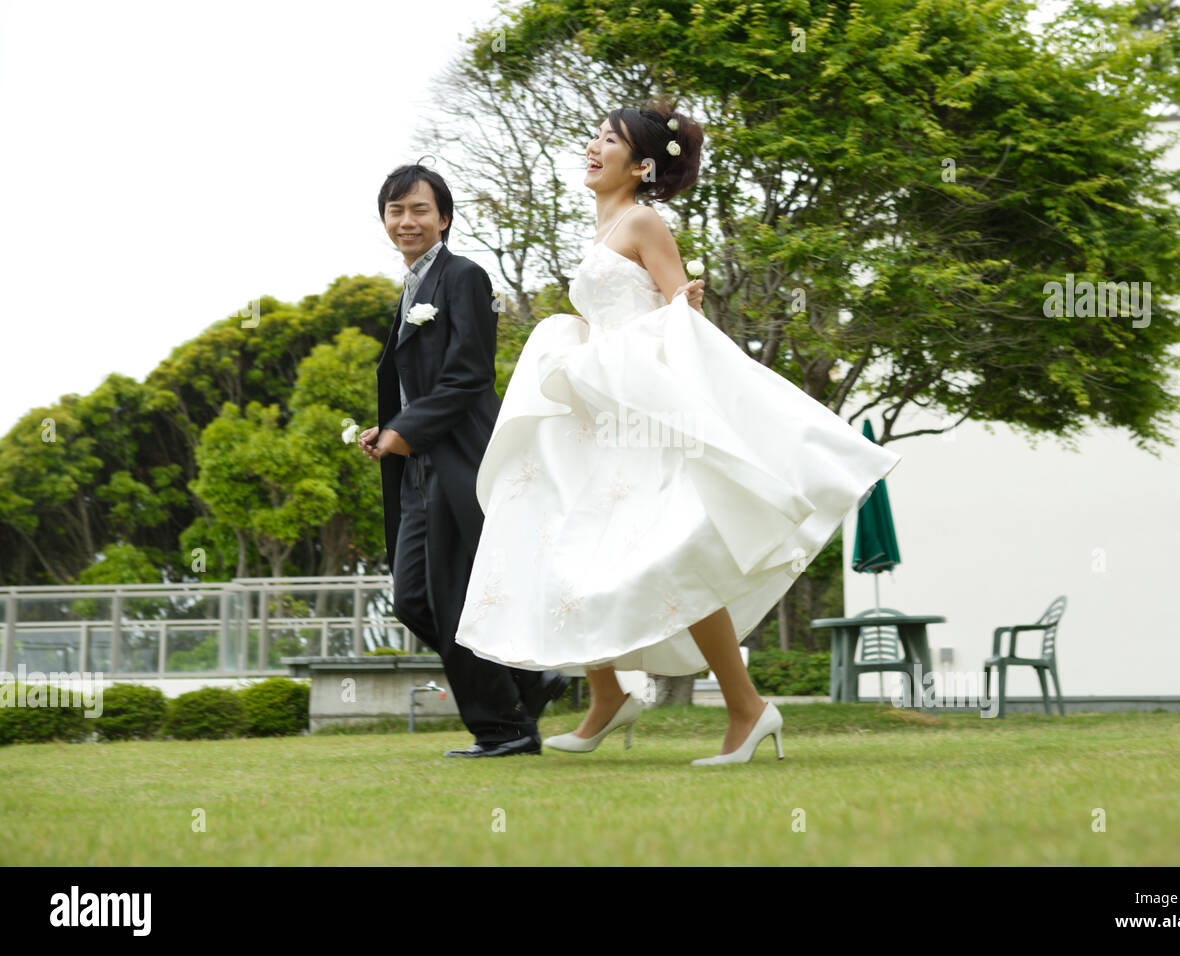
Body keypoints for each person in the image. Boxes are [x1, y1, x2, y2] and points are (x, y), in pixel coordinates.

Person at [453, 102, 901, 765]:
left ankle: (746, 709)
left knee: (666, 555)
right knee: (562, 541)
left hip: (643, 416)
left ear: (639, 166)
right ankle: (607, 694)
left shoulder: (642, 220)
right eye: (596, 136)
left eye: (610, 140)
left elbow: (679, 318)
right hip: (599, 416)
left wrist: (679, 311)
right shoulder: (604, 226)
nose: (593, 146)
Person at [359, 161, 569, 758]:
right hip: (416, 466)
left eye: (420, 209)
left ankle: (504, 728)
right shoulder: (410, 288)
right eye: (396, 211)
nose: (407, 221)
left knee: (452, 598)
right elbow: (419, 382)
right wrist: (391, 430)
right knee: (414, 601)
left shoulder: (464, 276)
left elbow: (469, 375)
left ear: (444, 218)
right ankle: (530, 680)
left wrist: (407, 430)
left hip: (460, 461)